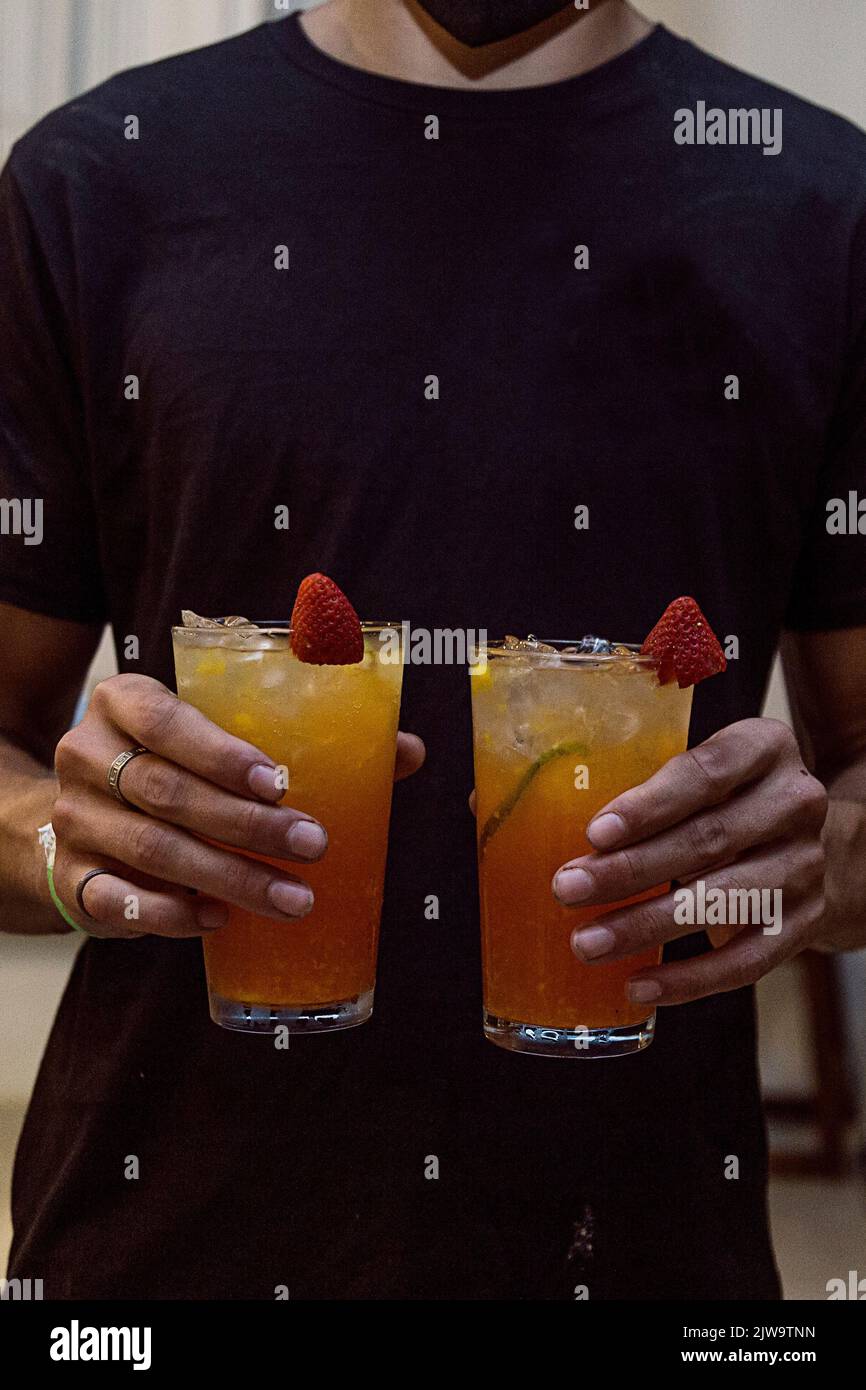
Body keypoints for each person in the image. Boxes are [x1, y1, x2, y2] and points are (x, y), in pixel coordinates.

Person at [1, 0, 864, 1300]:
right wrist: (66, 843)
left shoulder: (823, 205)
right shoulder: (96, 179)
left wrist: (822, 864)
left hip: (642, 1251)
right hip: (159, 1259)